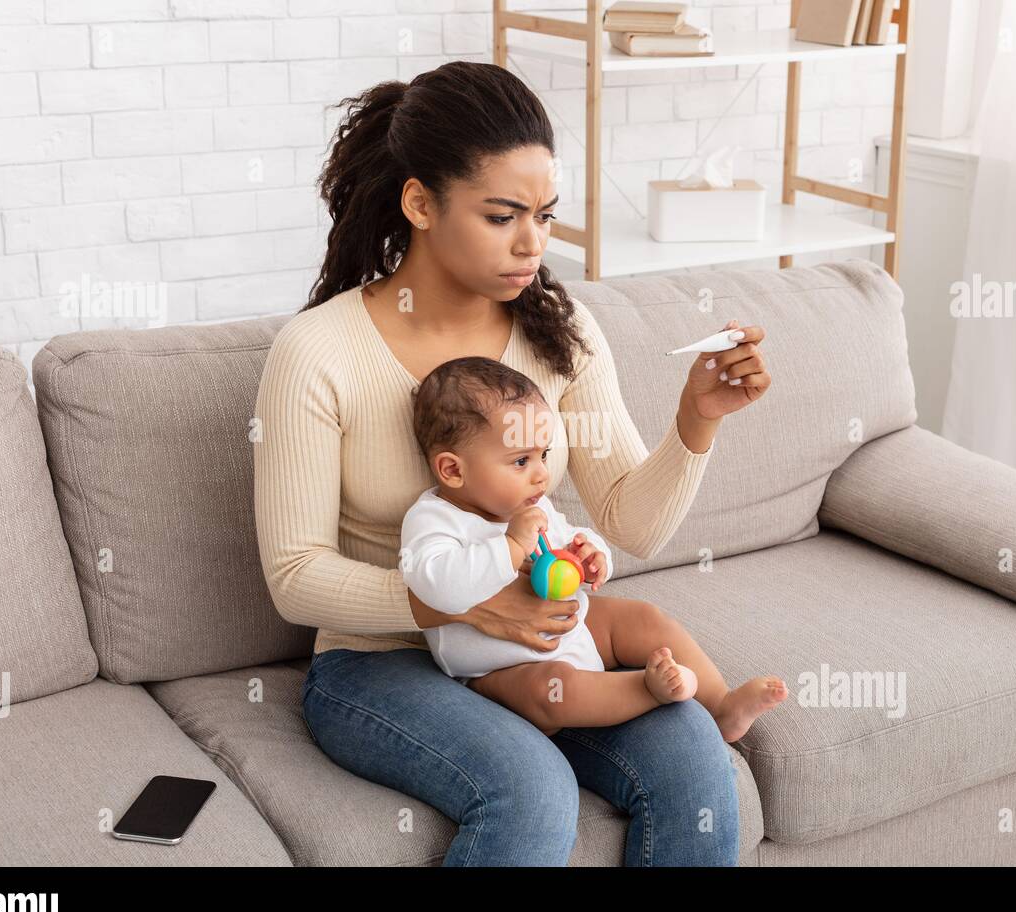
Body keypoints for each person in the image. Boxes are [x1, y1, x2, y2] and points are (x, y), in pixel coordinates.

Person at [252, 60, 772, 866]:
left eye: (544, 214)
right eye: (502, 216)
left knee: (694, 751)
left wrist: (695, 421)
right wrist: (465, 606)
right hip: (376, 663)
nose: (534, 243)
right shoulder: (317, 352)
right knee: (531, 788)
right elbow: (294, 575)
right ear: (421, 203)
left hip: (539, 645)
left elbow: (635, 521)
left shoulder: (559, 334)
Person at [399, 356, 788, 738]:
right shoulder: (433, 519)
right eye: (520, 461)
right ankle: (646, 690)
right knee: (550, 689)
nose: (541, 474)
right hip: (501, 668)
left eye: (543, 455)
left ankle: (721, 705)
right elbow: (437, 588)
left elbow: (569, 539)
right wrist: (512, 545)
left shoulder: (533, 506)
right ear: (452, 470)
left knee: (642, 618)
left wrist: (591, 555)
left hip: (573, 627)